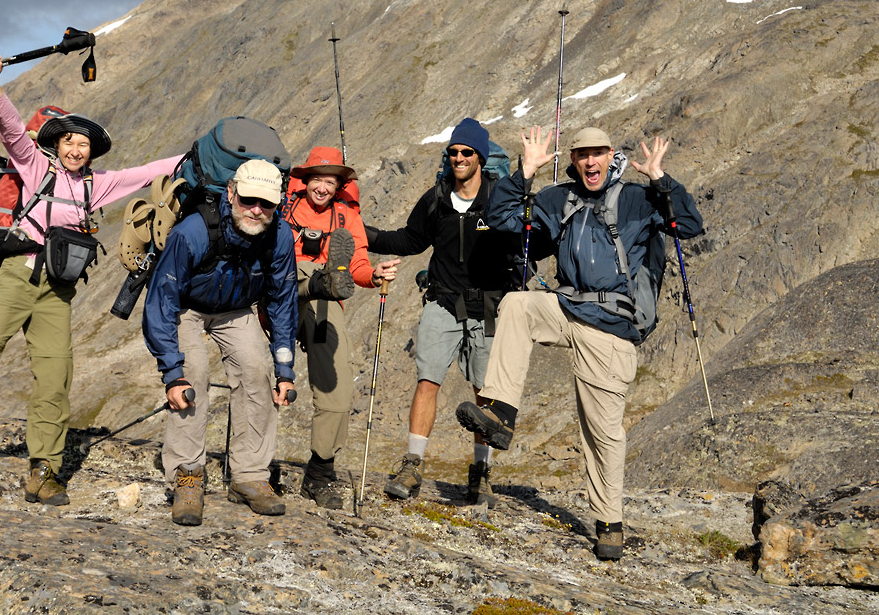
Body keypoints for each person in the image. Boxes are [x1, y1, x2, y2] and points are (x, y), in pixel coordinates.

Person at [0, 55, 180, 507]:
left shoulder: (101, 185)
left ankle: (44, 472)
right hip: (18, 277)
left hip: (58, 292)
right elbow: (12, 132)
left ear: (92, 151)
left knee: (55, 380)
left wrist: (201, 153)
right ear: (57, 144)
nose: (76, 150)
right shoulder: (36, 168)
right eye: (69, 141)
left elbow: (152, 171)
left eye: (83, 145)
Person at [457, 125, 703, 560]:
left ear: (611, 156)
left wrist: (660, 179)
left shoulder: (638, 199)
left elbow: (688, 225)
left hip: (611, 326)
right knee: (517, 305)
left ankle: (609, 523)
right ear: (572, 159)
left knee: (602, 432)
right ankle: (499, 412)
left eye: (598, 154)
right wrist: (525, 174)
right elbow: (500, 221)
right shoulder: (558, 198)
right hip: (567, 308)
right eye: (582, 155)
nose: (590, 162)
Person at [365, 118, 526, 506]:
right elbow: (409, 239)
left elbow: (522, 237)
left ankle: (481, 473)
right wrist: (361, 232)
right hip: (442, 301)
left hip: (488, 305)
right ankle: (412, 464)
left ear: (480, 158)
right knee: (427, 379)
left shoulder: (498, 198)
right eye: (453, 152)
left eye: (466, 153)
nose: (458, 158)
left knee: (485, 394)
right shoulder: (436, 198)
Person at [142, 157, 298, 526]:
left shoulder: (280, 237)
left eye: (267, 204)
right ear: (230, 194)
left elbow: (281, 301)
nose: (256, 210)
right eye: (248, 200)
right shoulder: (191, 233)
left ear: (278, 204)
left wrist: (285, 368)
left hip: (236, 308)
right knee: (192, 373)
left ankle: (249, 475)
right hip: (186, 307)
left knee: (256, 370)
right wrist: (171, 373)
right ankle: (187, 475)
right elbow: (161, 301)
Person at [283, 146, 401, 509]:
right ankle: (251, 467)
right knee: (257, 374)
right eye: (316, 179)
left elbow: (359, 264)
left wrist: (373, 275)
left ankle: (320, 473)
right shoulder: (283, 209)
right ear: (304, 181)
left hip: (323, 302)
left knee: (337, 382)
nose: (322, 187)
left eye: (330, 182)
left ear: (339, 187)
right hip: (278, 292)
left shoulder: (346, 217)